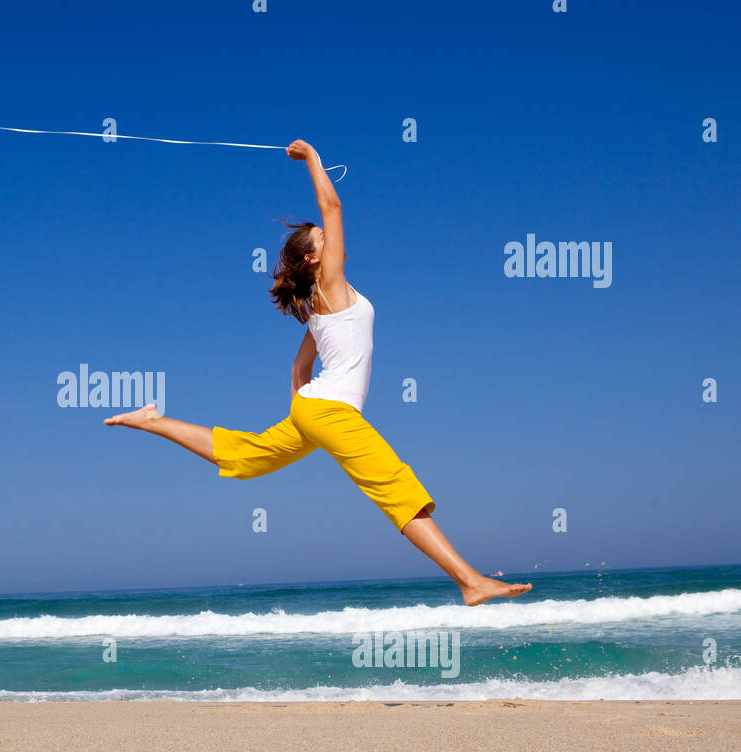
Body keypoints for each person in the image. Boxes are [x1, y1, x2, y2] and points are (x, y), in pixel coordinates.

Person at [105, 139, 532, 606]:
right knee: (393, 484)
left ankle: (151, 419)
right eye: (323, 241)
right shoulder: (327, 286)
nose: (333, 240)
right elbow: (332, 203)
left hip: (316, 408)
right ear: (314, 259)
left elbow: (300, 365)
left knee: (249, 456)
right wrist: (311, 157)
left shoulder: (324, 307)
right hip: (327, 411)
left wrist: (301, 409)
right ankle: (469, 582)